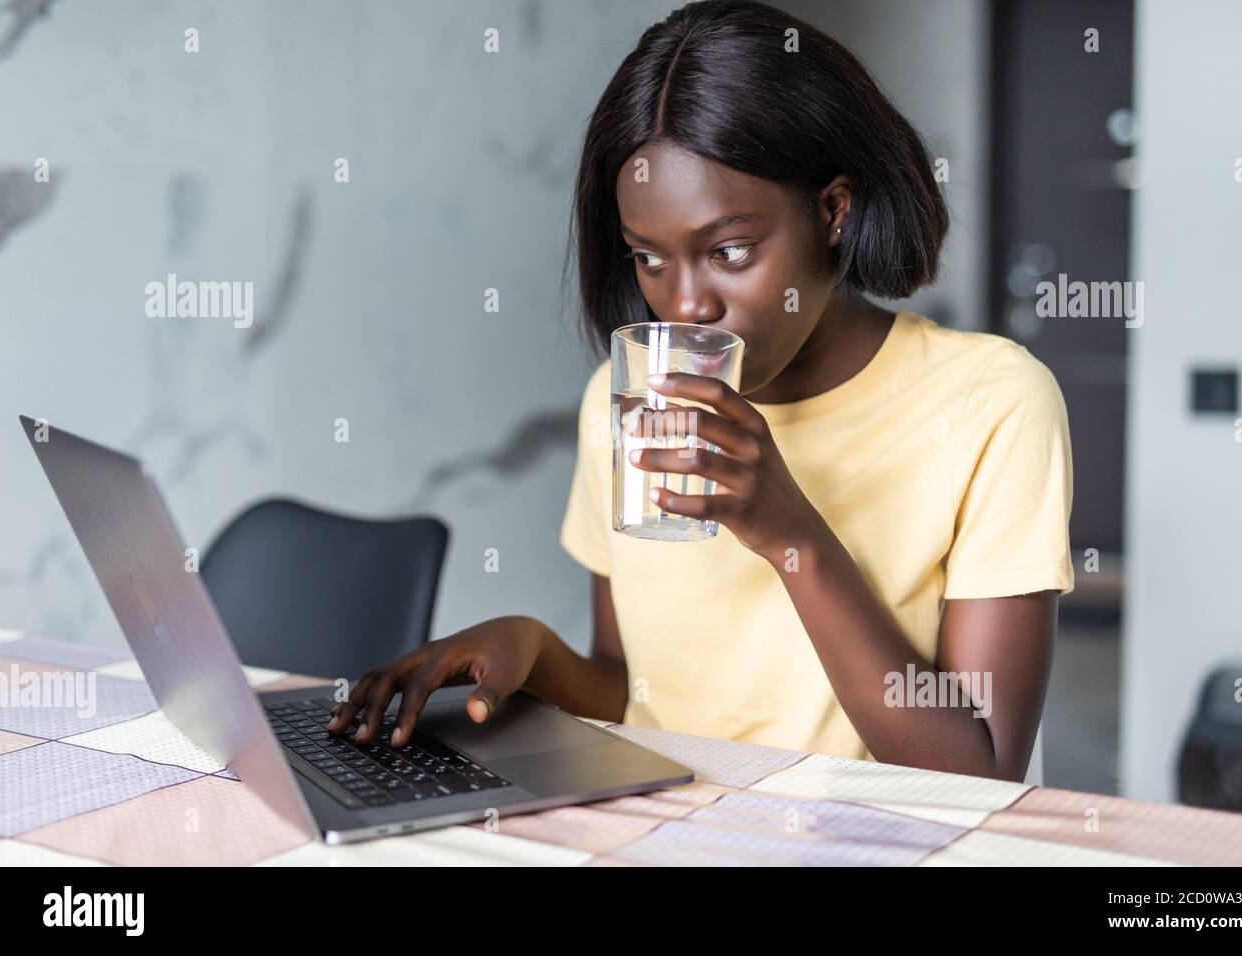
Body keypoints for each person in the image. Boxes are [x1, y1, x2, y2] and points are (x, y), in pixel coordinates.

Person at [329, 0, 1073, 781]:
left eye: (730, 250)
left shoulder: (992, 402)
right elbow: (630, 698)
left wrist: (791, 536)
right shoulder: (621, 406)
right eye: (649, 258)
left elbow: (979, 774)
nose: (685, 305)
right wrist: (536, 650)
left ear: (833, 211)